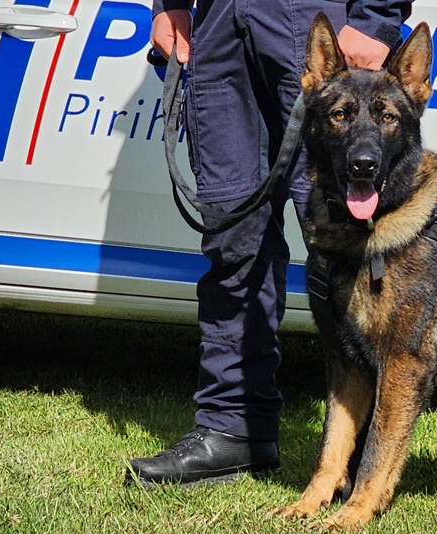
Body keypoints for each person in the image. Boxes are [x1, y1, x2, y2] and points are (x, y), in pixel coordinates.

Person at [125, 0, 412, 487]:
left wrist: (374, 18)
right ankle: (234, 429)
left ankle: (363, 448)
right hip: (220, 25)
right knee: (232, 228)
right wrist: (170, 5)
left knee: (347, 239)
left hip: (315, 15)